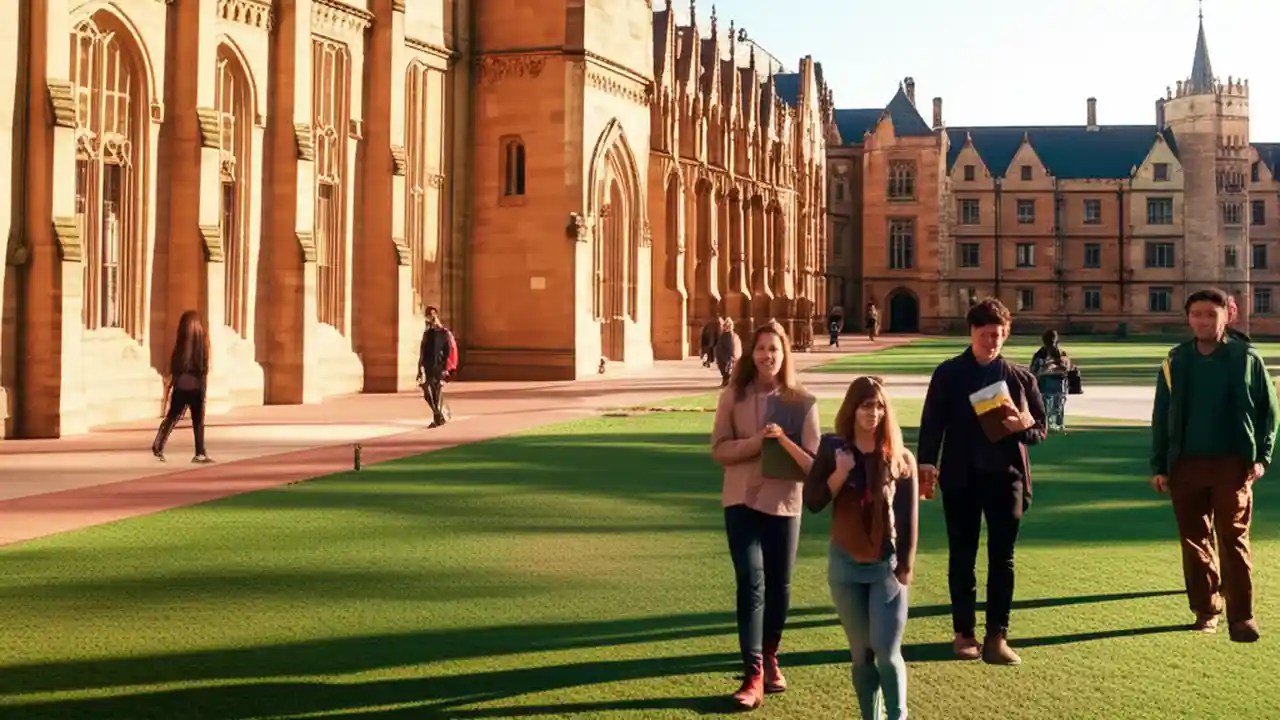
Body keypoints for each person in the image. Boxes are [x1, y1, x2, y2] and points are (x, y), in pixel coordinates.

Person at [917, 297, 1046, 665]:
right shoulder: (948, 374)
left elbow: (1040, 430)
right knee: (962, 557)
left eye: (999, 335)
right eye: (987, 334)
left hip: (1007, 480)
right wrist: (927, 465)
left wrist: (1024, 428)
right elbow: (932, 425)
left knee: (1002, 559)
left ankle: (997, 636)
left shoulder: (1021, 378)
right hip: (960, 478)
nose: (993, 341)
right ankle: (963, 633)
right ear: (972, 332)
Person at [1150, 288, 1276, 643]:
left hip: (1231, 465)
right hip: (1185, 465)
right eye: (1197, 314)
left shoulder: (1245, 358)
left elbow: (1269, 410)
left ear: (1228, 315)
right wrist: (1159, 464)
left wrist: (1262, 455)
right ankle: (1206, 610)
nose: (1203, 321)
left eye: (1211, 314)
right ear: (1188, 318)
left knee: (1233, 539)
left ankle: (1242, 616)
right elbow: (1161, 416)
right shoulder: (1175, 361)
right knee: (1194, 541)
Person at [711, 320, 820, 710]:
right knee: (750, 582)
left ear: (784, 353)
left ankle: (771, 652)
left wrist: (783, 442)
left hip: (784, 503)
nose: (767, 356)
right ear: (749, 353)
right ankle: (753, 673)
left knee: (780, 586)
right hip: (740, 500)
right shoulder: (733, 396)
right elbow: (720, 450)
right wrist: (756, 443)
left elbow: (813, 467)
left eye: (774, 349)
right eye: (760, 349)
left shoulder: (802, 401)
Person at [805, 376, 918, 720]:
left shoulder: (899, 457)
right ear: (852, 408)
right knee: (861, 654)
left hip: (886, 565)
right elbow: (813, 502)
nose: (873, 412)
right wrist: (839, 474)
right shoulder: (832, 449)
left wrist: (905, 567)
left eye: (880, 406)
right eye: (866, 405)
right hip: (845, 565)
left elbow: (908, 516)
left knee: (886, 651)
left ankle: (897, 715)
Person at [151, 310, 214, 464]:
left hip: (182, 386)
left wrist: (172, 384)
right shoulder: (202, 343)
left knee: (172, 417)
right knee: (198, 422)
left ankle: (158, 444)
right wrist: (203, 390)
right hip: (197, 387)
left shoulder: (182, 344)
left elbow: (176, 365)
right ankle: (200, 452)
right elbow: (204, 368)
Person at [417, 306, 454, 428]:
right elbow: (422, 351)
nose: (431, 317)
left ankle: (437, 417)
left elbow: (448, 352)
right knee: (427, 391)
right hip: (428, 365)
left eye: (433, 315)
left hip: (438, 366)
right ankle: (437, 413)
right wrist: (419, 368)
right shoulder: (427, 334)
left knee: (436, 391)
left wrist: (445, 368)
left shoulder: (443, 333)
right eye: (429, 315)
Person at [1029, 330, 1072, 434]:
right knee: (1057, 405)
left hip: (1051, 382)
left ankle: (1052, 425)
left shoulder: (1042, 355)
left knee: (1051, 405)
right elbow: (1067, 368)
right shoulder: (1056, 353)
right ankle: (1057, 425)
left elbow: (1033, 371)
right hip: (1055, 382)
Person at [714, 317, 743, 387]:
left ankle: (727, 383)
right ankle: (726, 382)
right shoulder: (727, 335)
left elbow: (731, 347)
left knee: (727, 371)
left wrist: (732, 355)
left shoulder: (728, 335)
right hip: (724, 357)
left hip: (726, 357)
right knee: (726, 371)